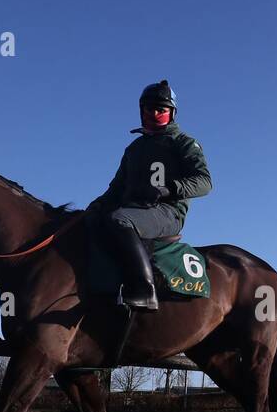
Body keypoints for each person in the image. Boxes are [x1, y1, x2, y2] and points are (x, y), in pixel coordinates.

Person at [86, 79, 212, 310]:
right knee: (91, 221)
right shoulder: (133, 149)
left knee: (119, 219)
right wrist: (95, 206)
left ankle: (145, 291)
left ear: (171, 113)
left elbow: (204, 182)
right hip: (133, 210)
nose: (154, 113)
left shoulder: (184, 143)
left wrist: (168, 189)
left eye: (161, 109)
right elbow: (115, 189)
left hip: (167, 213)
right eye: (149, 108)